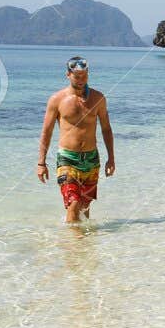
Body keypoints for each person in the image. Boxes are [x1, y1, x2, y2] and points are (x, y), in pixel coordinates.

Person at [37, 56, 114, 222]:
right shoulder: (57, 100)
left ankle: (86, 243)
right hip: (67, 158)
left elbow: (106, 129)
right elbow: (46, 132)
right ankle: (74, 245)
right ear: (68, 75)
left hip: (91, 158)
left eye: (84, 76)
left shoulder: (98, 98)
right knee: (74, 202)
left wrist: (111, 158)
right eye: (77, 76)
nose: (81, 80)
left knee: (85, 206)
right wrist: (41, 163)